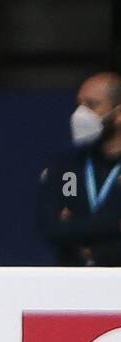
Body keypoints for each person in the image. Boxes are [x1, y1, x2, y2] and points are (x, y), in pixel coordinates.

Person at [37, 71, 121, 266]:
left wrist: (80, 225)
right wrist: (114, 224)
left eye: (91, 105)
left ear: (118, 114)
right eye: (79, 105)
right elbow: (53, 228)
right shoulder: (70, 169)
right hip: (73, 282)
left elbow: (70, 226)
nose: (80, 115)